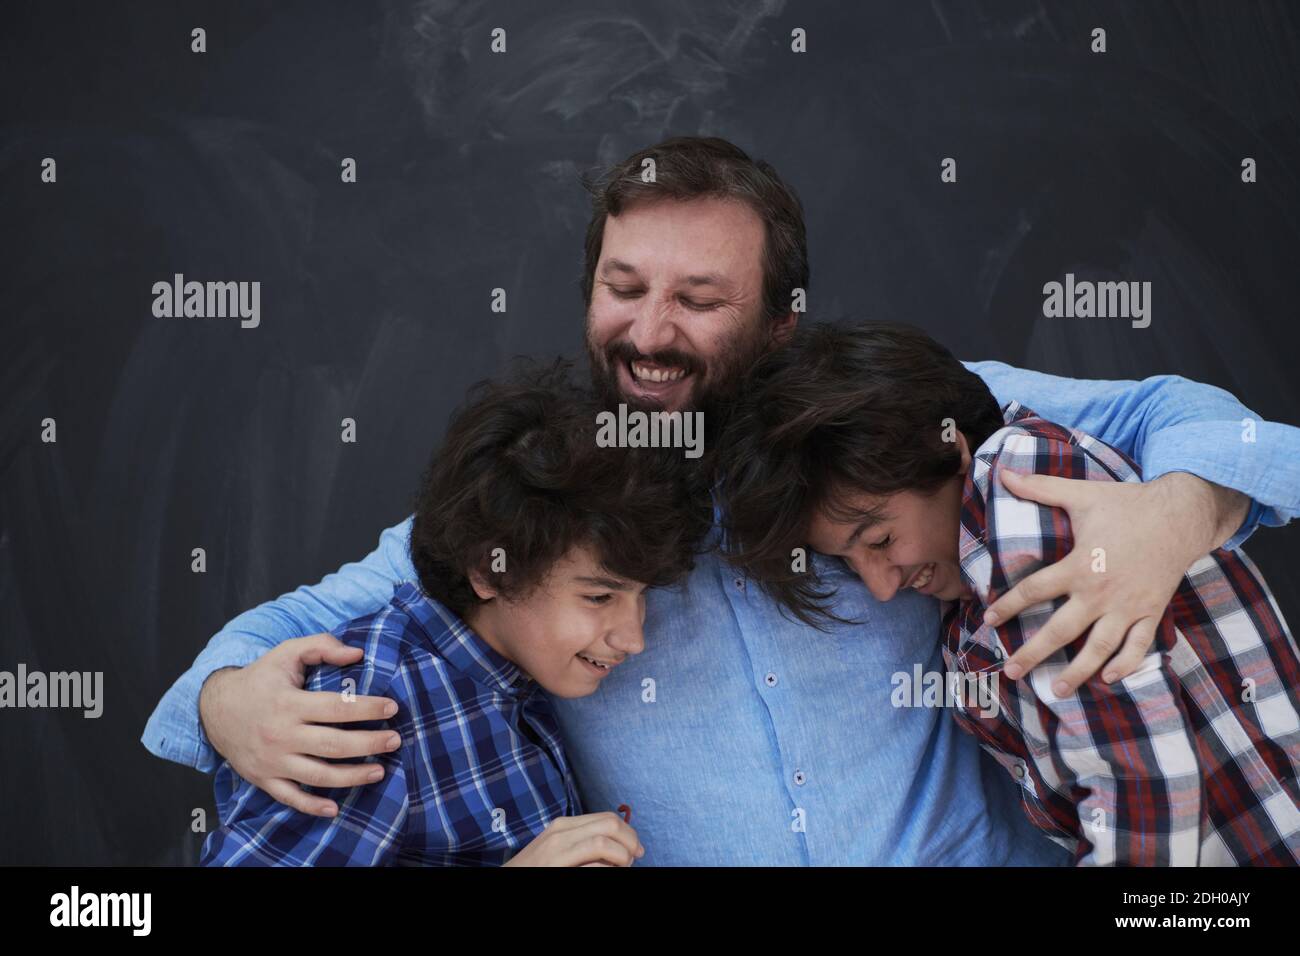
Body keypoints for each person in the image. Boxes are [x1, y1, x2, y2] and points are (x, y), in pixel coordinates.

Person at [146, 137, 1299, 865]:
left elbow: (1236, 433)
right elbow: (283, 632)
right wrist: (225, 702)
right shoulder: (532, 507)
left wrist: (1172, 518)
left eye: (698, 298)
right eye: (623, 287)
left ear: (781, 321)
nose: (648, 332)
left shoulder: (898, 417)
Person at [713, 321, 1300, 865]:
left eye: (880, 540)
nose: (881, 586)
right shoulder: (975, 557)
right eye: (847, 561)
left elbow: (1144, 792)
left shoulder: (1018, 490)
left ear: (949, 451)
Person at [201, 363, 710, 865]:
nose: (634, 639)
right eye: (599, 598)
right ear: (489, 572)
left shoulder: (520, 675)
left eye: (642, 595)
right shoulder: (367, 704)